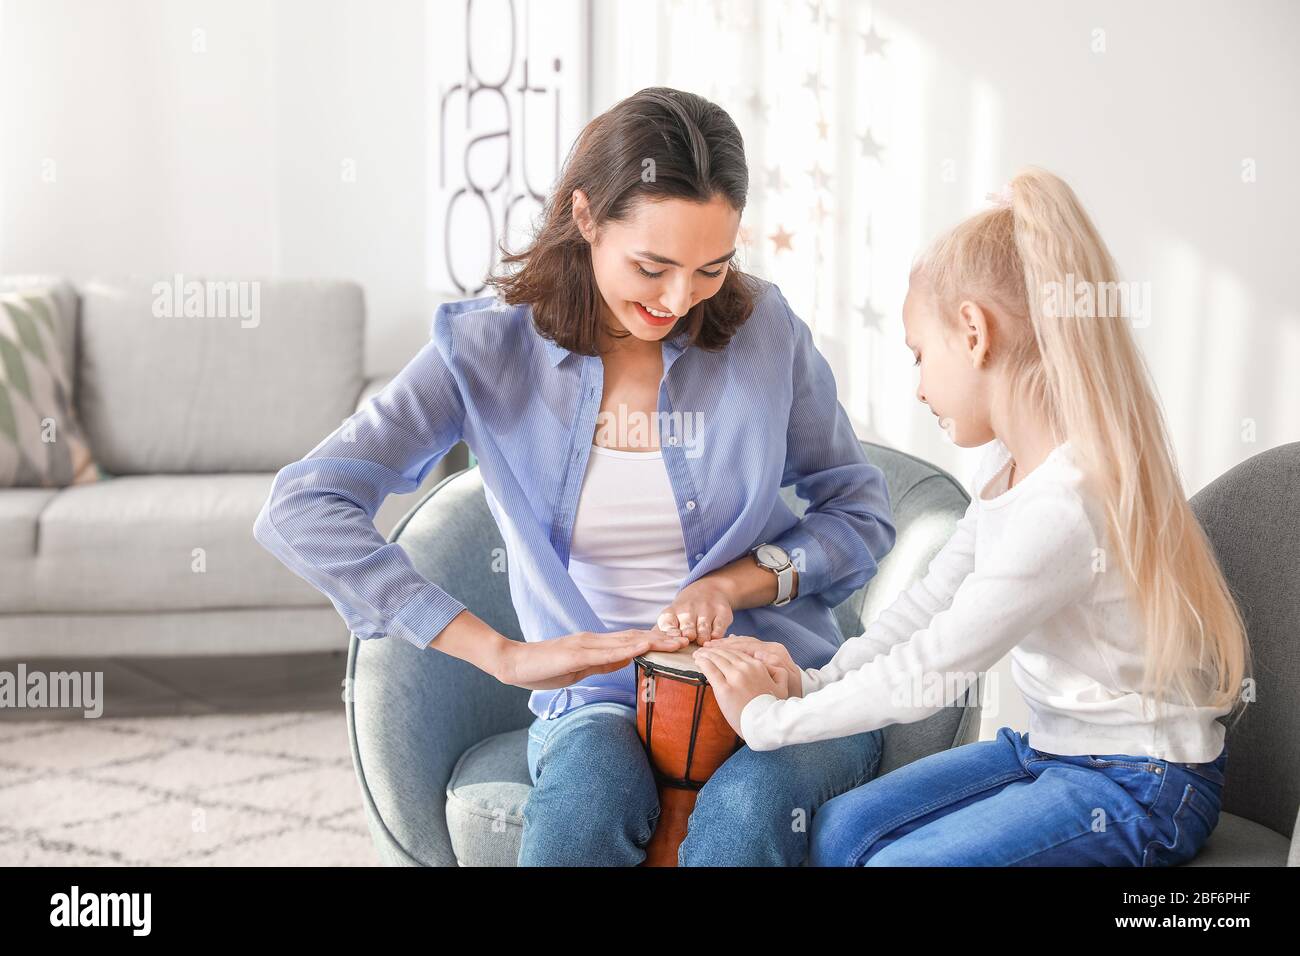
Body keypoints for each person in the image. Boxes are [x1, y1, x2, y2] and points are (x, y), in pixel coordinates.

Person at [252, 87, 896, 866]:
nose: (676, 300)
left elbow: (858, 513)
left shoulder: (765, 331)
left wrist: (735, 584)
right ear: (586, 218)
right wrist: (500, 653)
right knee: (581, 814)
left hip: (776, 684)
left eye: (710, 269)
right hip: (594, 701)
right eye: (652, 267)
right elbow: (304, 505)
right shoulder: (487, 353)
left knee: (746, 813)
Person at [694, 166, 1251, 866]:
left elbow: (933, 669)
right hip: (1052, 751)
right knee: (837, 834)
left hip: (1144, 786)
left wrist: (772, 721)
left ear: (974, 333)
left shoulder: (1066, 505)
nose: (920, 385)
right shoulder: (1007, 473)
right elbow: (924, 608)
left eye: (921, 355)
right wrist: (812, 682)